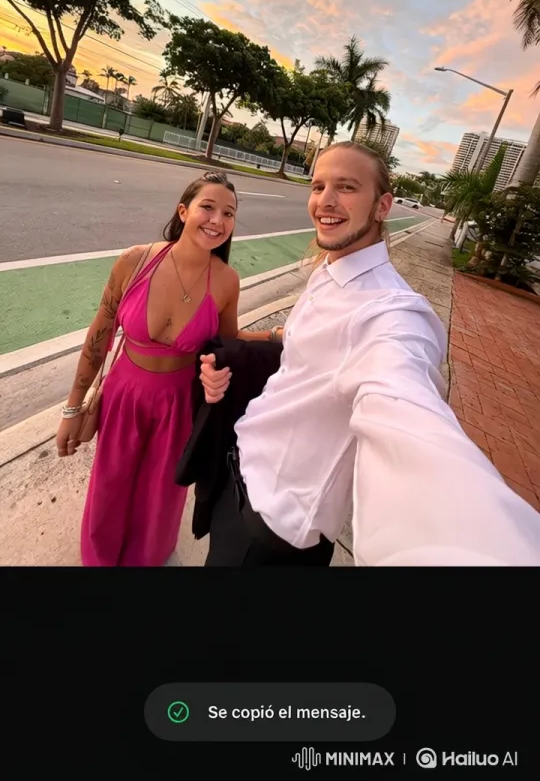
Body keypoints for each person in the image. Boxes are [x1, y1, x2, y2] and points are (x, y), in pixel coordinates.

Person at [200, 142, 540, 567]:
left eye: (346, 187)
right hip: (238, 477)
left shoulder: (390, 316)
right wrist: (240, 346)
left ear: (382, 206)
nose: (325, 200)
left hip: (270, 530)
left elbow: (405, 409)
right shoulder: (331, 269)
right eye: (318, 185)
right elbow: (304, 340)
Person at [56, 171, 277, 567]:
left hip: (180, 402)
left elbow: (227, 342)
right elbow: (100, 333)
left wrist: (274, 336)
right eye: (207, 207)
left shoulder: (227, 280)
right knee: (110, 483)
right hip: (125, 394)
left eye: (229, 213)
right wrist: (73, 409)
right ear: (183, 210)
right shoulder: (134, 261)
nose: (217, 220)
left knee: (161, 494)